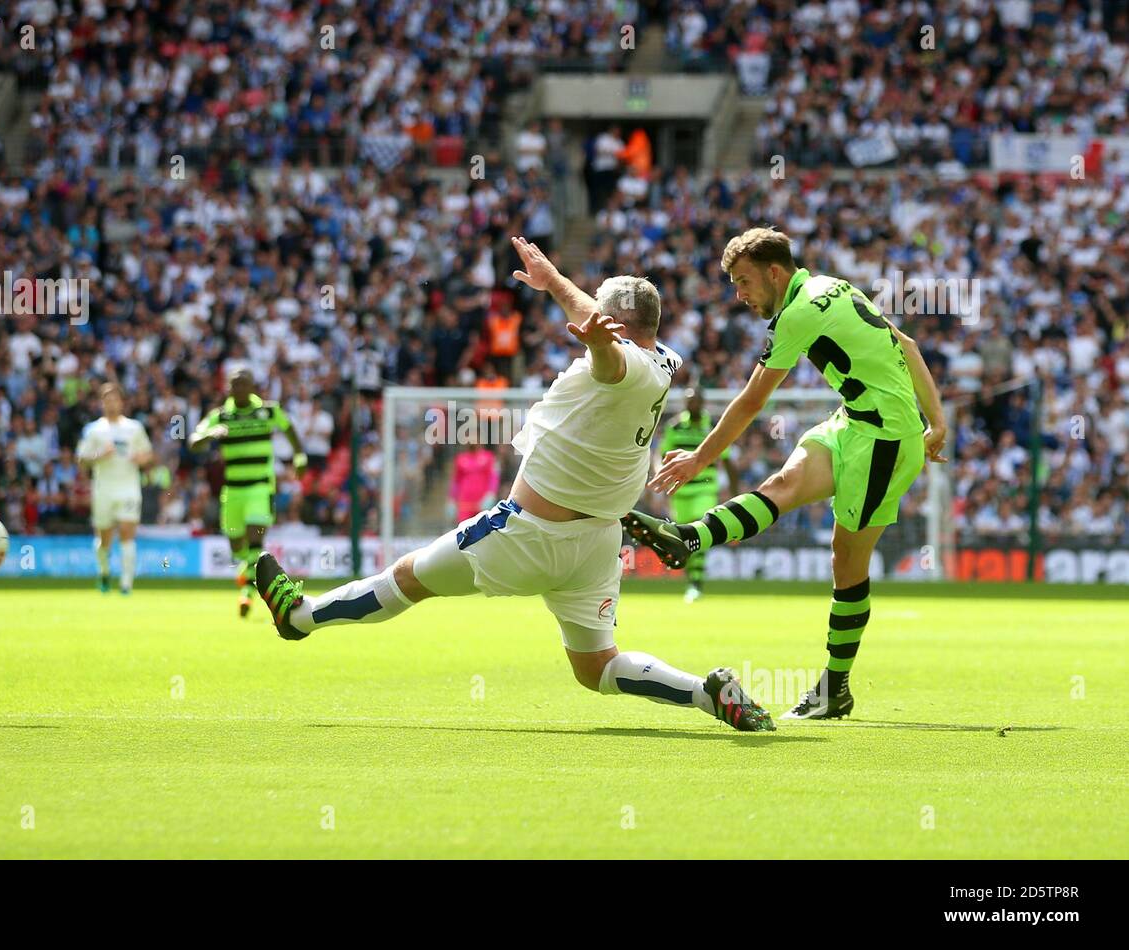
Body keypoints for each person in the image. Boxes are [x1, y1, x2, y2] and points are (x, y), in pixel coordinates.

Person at [253, 236, 775, 733]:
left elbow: (613, 359)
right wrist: (574, 303)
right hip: (594, 546)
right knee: (596, 667)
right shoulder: (664, 361)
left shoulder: (625, 363)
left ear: (612, 322)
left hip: (526, 535)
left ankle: (300, 618)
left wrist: (558, 290)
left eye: (598, 310)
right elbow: (616, 344)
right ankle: (706, 693)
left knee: (407, 578)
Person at [624, 227, 947, 720]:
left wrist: (699, 458)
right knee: (781, 486)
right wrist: (939, 421)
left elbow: (753, 399)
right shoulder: (834, 286)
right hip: (855, 421)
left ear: (774, 273)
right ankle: (686, 539)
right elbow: (907, 345)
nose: (741, 296)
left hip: (884, 439)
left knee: (847, 561)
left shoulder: (797, 313)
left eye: (745, 282)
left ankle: (834, 688)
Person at [189, 368, 306, 618]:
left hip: (260, 486)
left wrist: (299, 455)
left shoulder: (268, 410)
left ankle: (247, 595)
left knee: (255, 538)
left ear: (253, 386)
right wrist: (210, 435)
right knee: (237, 546)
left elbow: (289, 429)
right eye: (234, 384)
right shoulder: (221, 416)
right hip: (233, 490)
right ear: (229, 388)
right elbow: (193, 441)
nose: (239, 388)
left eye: (243, 383)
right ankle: (245, 567)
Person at [657, 386, 739, 601]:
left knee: (700, 529)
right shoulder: (674, 426)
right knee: (686, 540)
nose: (691, 404)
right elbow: (662, 454)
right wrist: (660, 474)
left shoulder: (712, 427)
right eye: (688, 401)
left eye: (695, 401)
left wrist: (734, 493)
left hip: (705, 488)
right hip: (681, 490)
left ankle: (696, 584)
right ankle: (693, 580)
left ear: (702, 403)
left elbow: (728, 461)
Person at [77, 383, 153, 594]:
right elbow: (82, 460)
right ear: (102, 403)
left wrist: (141, 458)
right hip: (103, 489)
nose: (111, 403)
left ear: (121, 402)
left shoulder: (134, 427)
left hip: (128, 488)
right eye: (107, 399)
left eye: (115, 399)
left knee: (128, 534)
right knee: (104, 538)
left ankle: (126, 584)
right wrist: (100, 455)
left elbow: (148, 455)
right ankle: (104, 573)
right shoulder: (93, 430)